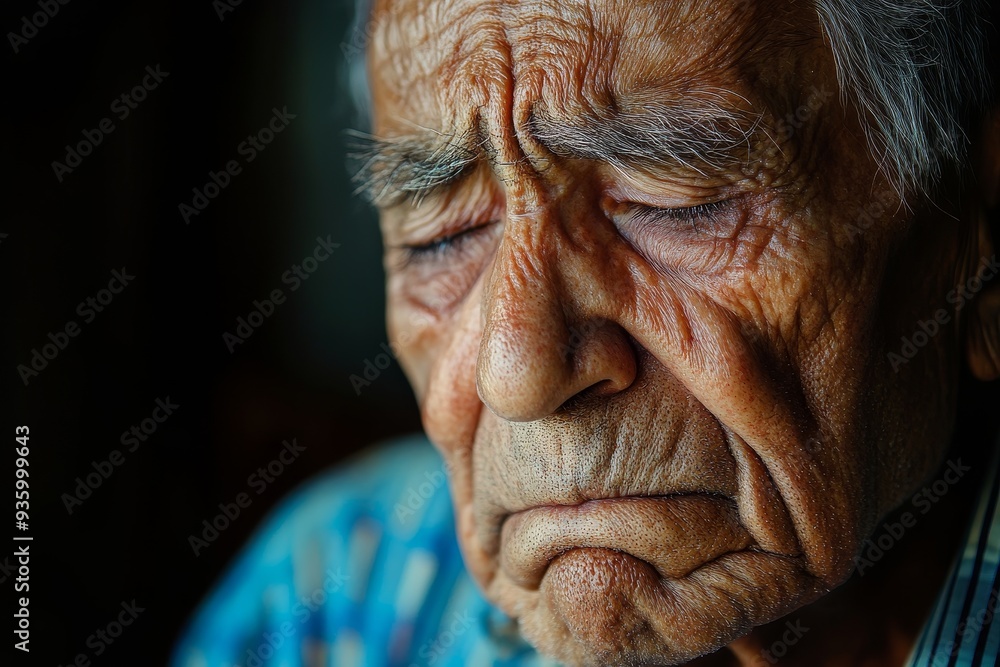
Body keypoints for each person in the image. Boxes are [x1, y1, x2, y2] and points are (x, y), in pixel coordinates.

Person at [172, 0, 1000, 664]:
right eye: (443, 236)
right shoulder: (331, 601)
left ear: (976, 227)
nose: (519, 368)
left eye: (676, 200)